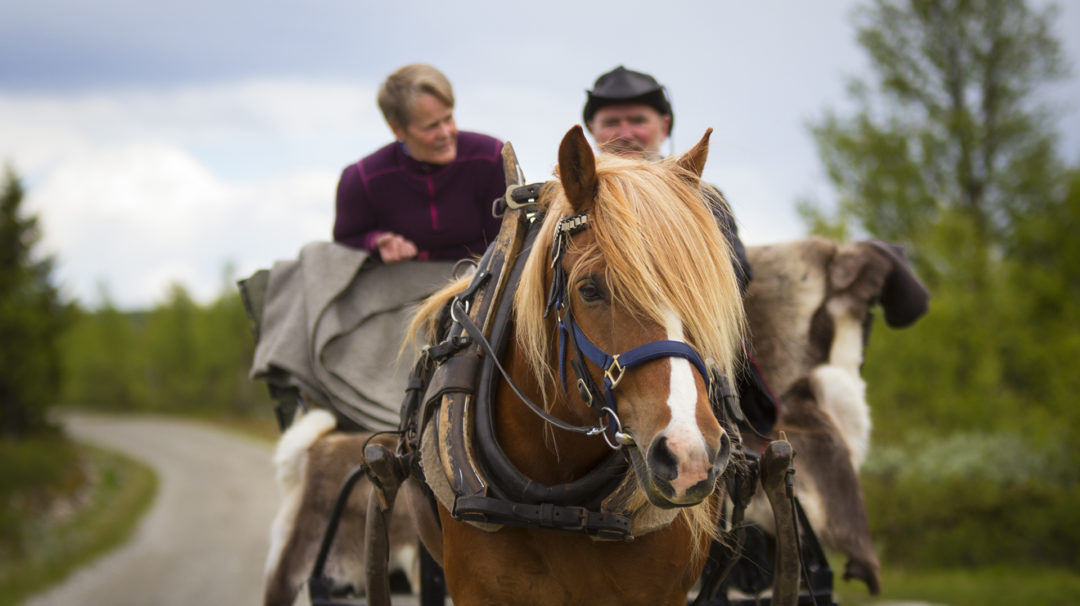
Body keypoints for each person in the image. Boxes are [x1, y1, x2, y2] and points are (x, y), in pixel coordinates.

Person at [583, 65, 775, 435]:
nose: (624, 133)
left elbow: (735, 273)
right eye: (611, 122)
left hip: (684, 343)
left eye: (638, 120)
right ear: (592, 129)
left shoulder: (703, 197)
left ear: (664, 126)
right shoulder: (570, 198)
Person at [334, 64, 506, 262]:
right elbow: (344, 243)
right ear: (397, 129)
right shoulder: (362, 178)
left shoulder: (491, 157)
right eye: (431, 127)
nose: (446, 133)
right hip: (402, 284)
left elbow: (512, 233)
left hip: (485, 278)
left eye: (448, 118)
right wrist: (376, 242)